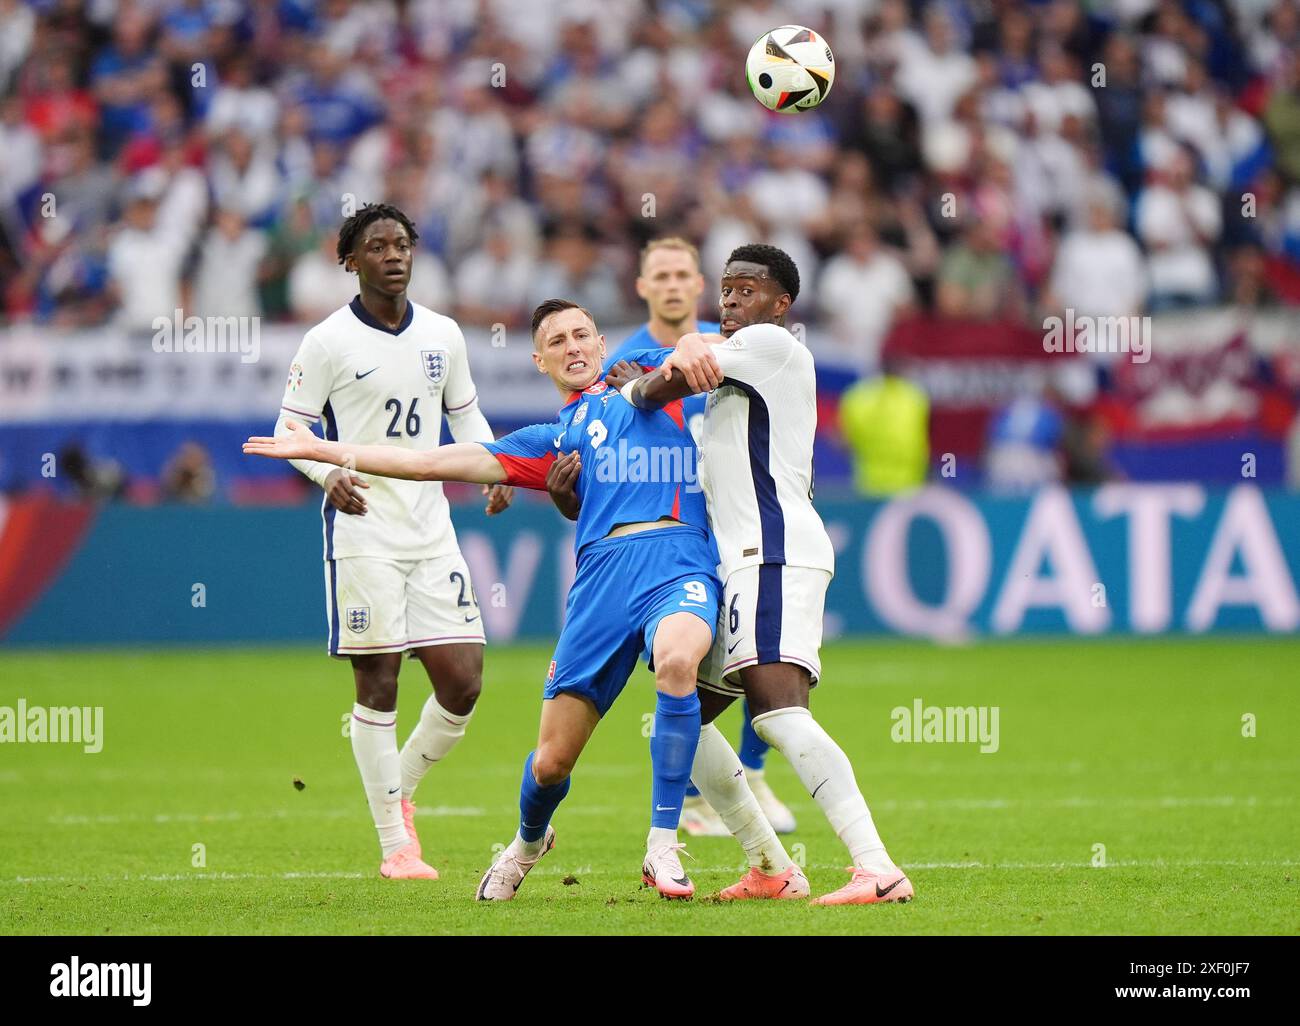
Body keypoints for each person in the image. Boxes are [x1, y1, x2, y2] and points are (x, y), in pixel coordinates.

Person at [247, 299, 733, 901]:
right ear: (539, 362)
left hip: (678, 558)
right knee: (551, 764)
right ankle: (528, 842)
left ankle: (662, 845)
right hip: (602, 581)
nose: (574, 347)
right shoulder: (550, 439)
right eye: (557, 342)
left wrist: (688, 346)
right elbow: (425, 462)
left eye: (583, 335)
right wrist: (322, 451)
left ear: (603, 344)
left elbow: (695, 356)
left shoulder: (643, 369)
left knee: (678, 662)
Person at [608, 244, 913, 905]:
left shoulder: (774, 347)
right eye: (726, 290)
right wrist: (663, 370)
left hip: (773, 553)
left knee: (778, 714)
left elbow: (666, 382)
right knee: (677, 719)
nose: (731, 302)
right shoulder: (734, 380)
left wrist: (638, 381)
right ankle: (770, 867)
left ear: (781, 305)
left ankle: (877, 867)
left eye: (748, 291)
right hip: (740, 561)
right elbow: (679, 381)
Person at [271, 202, 513, 881]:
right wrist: (327, 474)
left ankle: (399, 790)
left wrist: (493, 466)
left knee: (463, 682)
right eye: (377, 246)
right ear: (350, 261)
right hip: (364, 530)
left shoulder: (443, 334)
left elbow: (465, 415)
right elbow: (291, 431)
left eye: (402, 243)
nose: (394, 254)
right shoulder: (326, 342)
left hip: (431, 531)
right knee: (379, 680)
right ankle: (395, 847)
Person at [558, 235, 796, 838]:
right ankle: (692, 795)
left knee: (753, 649)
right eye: (657, 274)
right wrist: (562, 491)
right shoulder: (620, 363)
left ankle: (751, 770)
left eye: (680, 274)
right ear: (641, 287)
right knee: (690, 659)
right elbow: (590, 452)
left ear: (699, 285)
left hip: (738, 520)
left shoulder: (736, 345)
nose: (669, 284)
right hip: (672, 536)